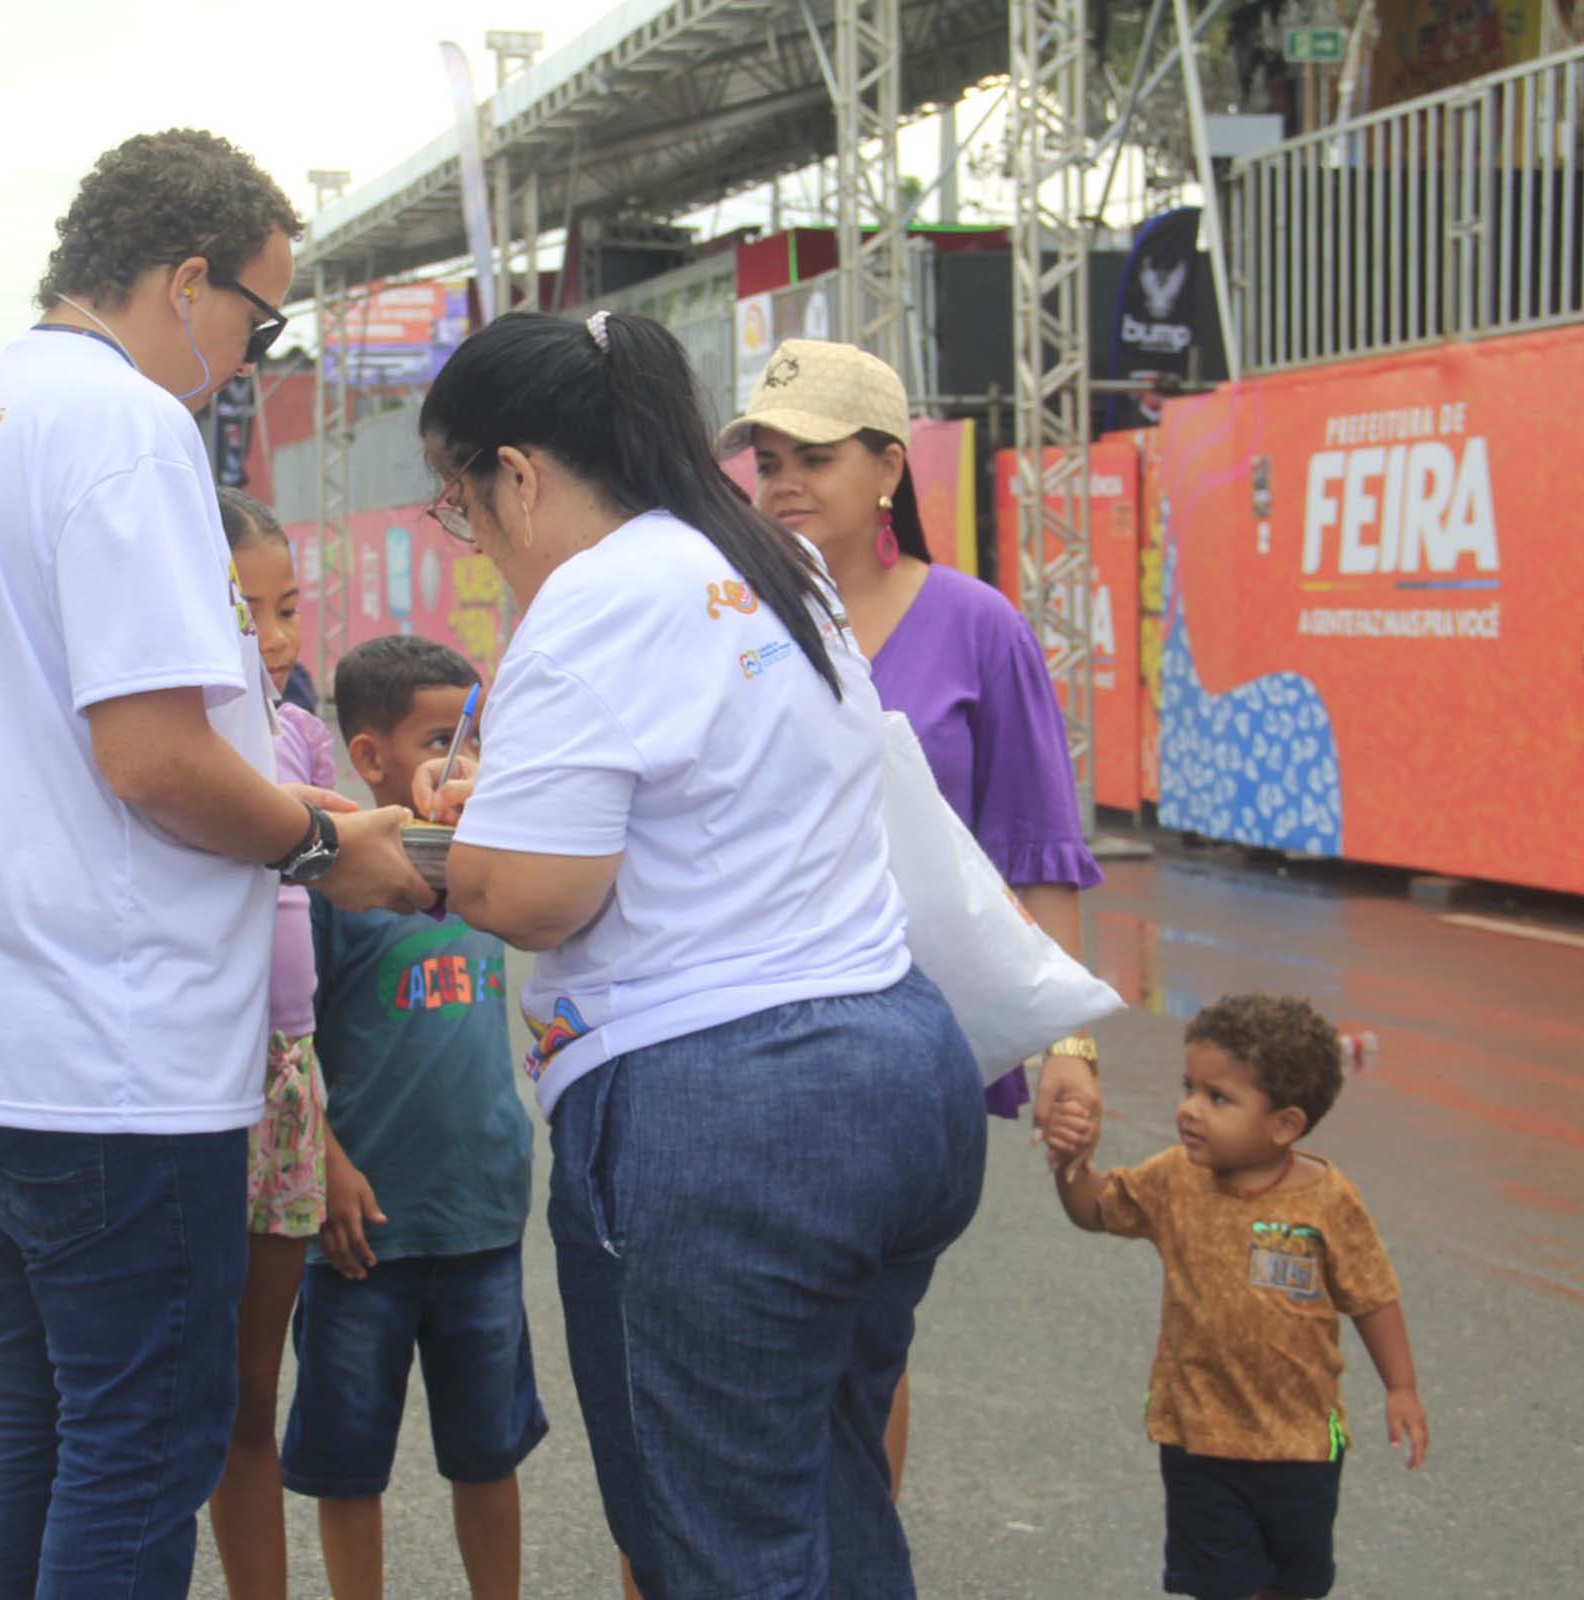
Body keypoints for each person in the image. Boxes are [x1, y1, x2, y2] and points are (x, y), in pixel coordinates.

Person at [0, 129, 430, 1600]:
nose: (252, 350)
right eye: (259, 313)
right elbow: (155, 756)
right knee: (144, 1439)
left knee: (42, 1412)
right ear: (189, 281)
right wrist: (323, 840)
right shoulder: (122, 429)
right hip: (102, 1039)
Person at [411, 311, 1028, 1600]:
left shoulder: (591, 597)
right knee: (834, 1495)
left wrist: (432, 859)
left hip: (727, 1119)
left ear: (515, 474)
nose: (474, 540)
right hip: (899, 1069)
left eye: (460, 506)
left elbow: (538, 893)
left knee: (719, 1549)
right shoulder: (769, 561)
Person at [724, 338, 1106, 1497]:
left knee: (865, 1345)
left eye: (816, 456)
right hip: (750, 1038)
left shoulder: (977, 624)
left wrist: (1069, 1049)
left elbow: (1037, 848)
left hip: (913, 1053)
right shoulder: (730, 615)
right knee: (754, 1350)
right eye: (767, 456)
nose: (782, 480)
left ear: (890, 468)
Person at [283, 636, 541, 1600]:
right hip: (362, 1234)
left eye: (476, 741)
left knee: (490, 1452)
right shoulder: (332, 890)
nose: (466, 761)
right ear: (370, 757)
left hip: (480, 1218)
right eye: (443, 739)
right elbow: (289, 1036)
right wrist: (328, 1161)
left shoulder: (485, 868)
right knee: (348, 1464)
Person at [1053, 995, 1429, 1600]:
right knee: (1223, 1586)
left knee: (1292, 1585)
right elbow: (1098, 1210)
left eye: (1218, 1098)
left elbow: (1372, 1296)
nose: (1189, 1110)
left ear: (1285, 1125)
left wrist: (1401, 1387)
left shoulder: (1328, 1201)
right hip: (1199, 1439)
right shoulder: (1176, 1179)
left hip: (1300, 1445)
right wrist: (1071, 1164)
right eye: (1189, 1087)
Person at [206, 486, 332, 1600]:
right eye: (248, 613)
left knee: (253, 1392)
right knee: (163, 1387)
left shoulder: (302, 736)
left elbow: (352, 887)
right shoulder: (179, 745)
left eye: (289, 607)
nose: (278, 638)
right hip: (188, 1081)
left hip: (287, 1084)